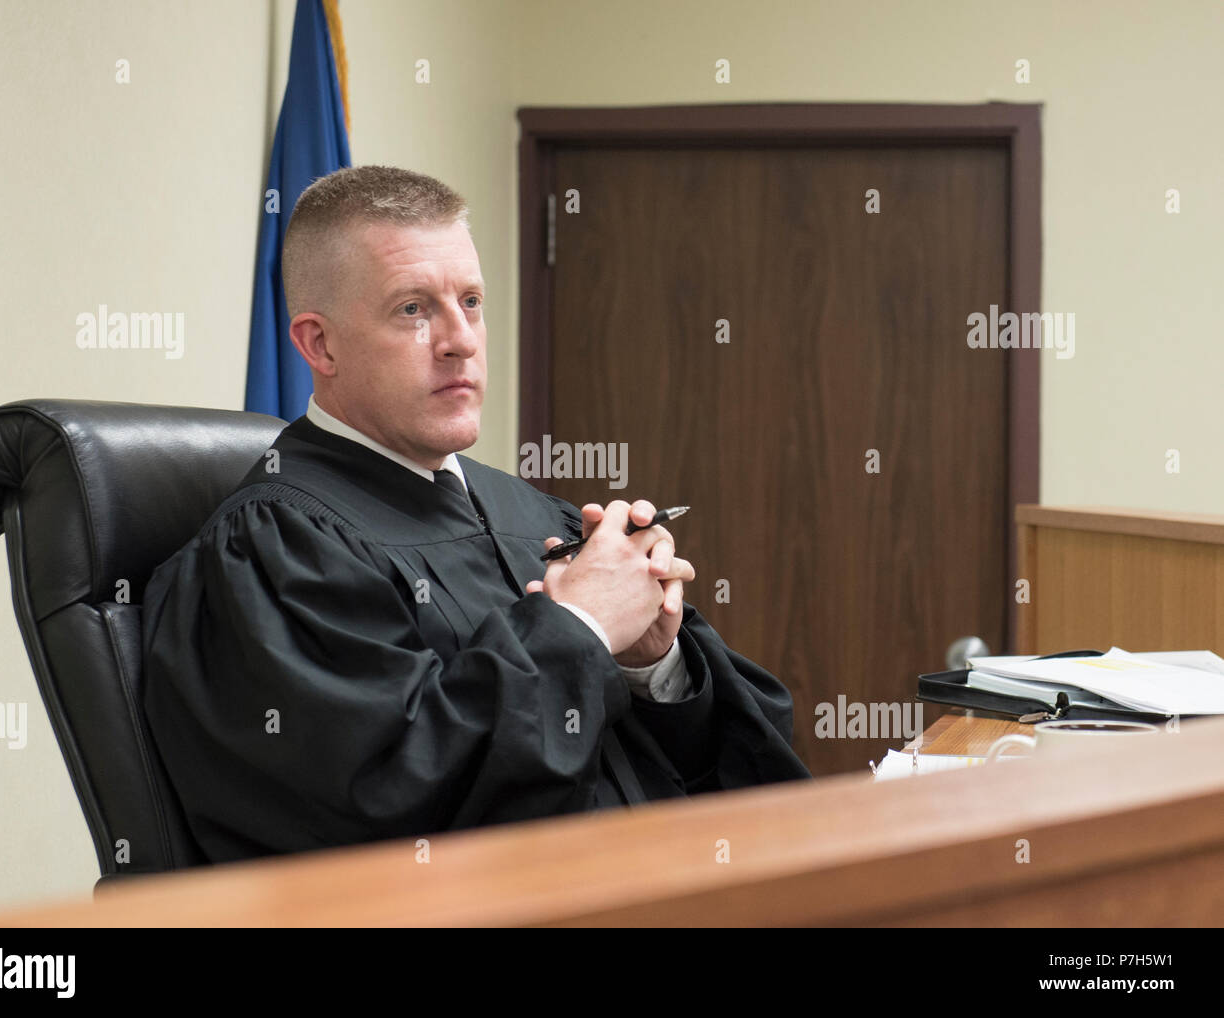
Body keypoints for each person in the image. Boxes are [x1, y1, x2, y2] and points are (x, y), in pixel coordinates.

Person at [142, 165, 810, 863]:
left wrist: (654, 664)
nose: (460, 339)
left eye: (471, 301)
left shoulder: (532, 512)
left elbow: (739, 765)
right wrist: (578, 629)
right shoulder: (273, 550)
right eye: (413, 309)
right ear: (320, 345)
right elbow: (391, 809)